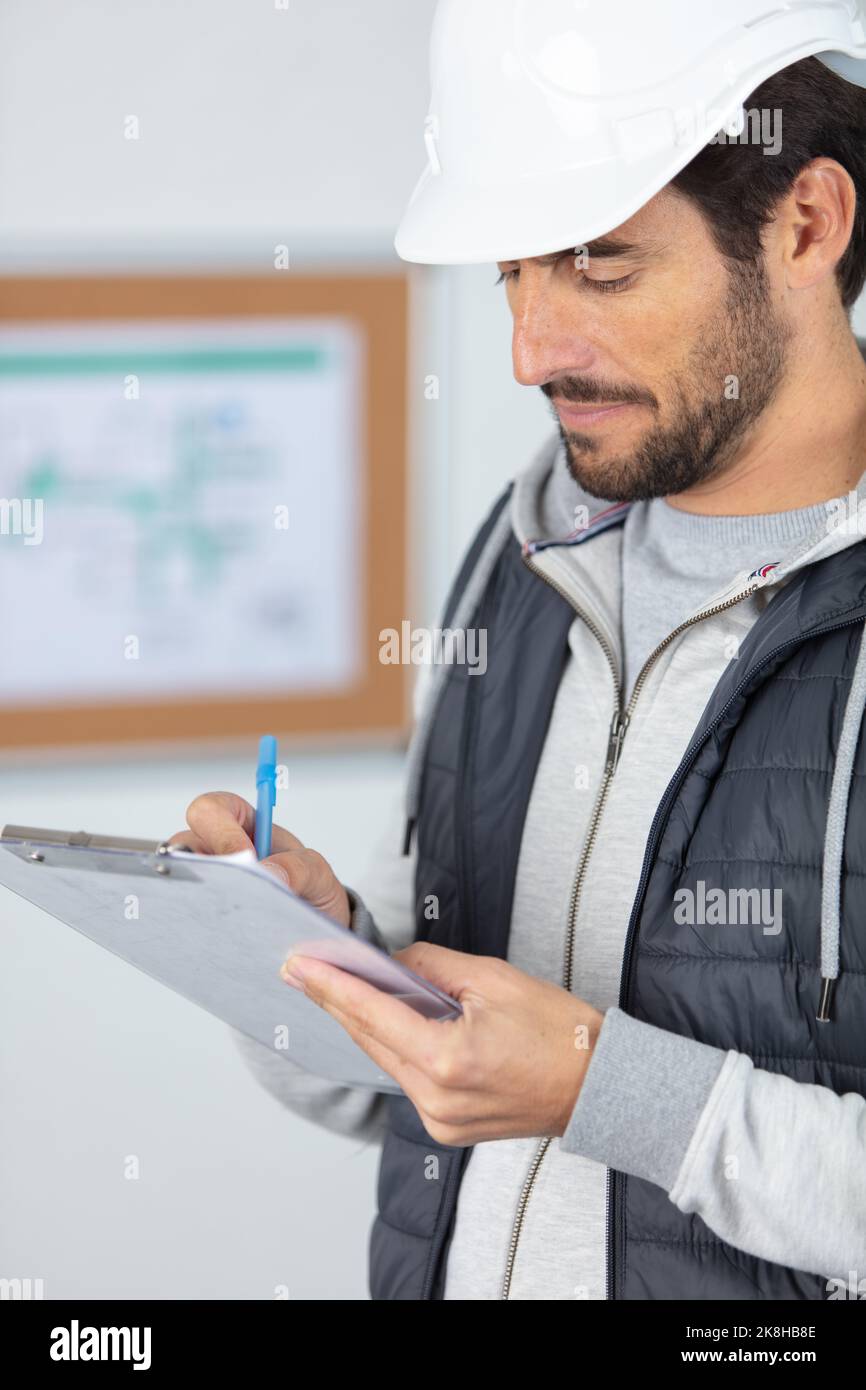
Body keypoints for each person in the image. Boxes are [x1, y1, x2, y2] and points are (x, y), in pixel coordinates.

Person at [170, 2, 866, 1299]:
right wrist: (302, 952)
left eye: (598, 264)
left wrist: (615, 1090)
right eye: (509, 272)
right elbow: (415, 1091)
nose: (527, 351)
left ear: (803, 226)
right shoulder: (528, 541)